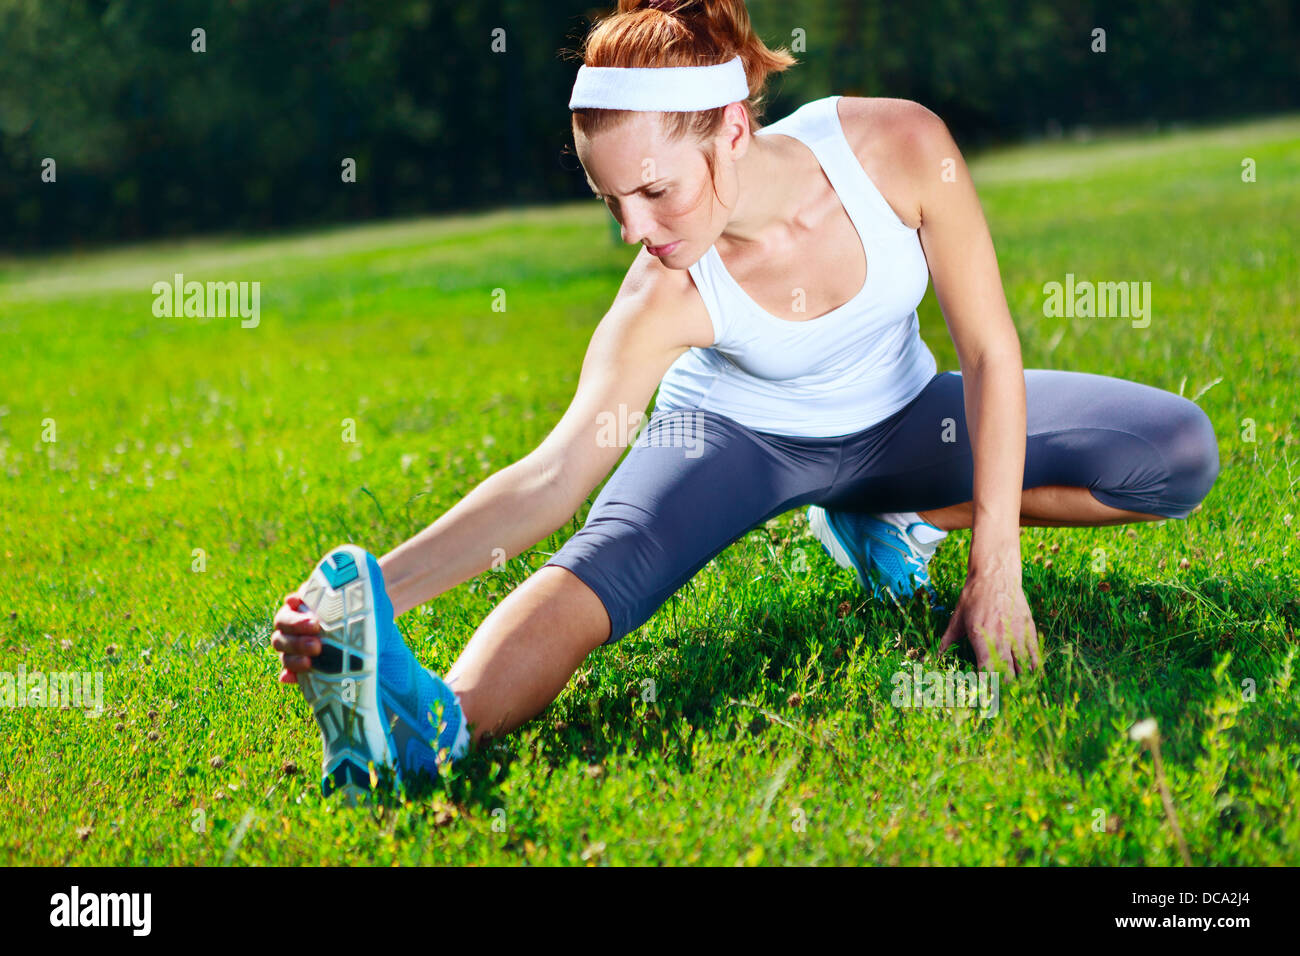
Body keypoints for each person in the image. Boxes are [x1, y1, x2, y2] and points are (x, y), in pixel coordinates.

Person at [270, 0, 1220, 801]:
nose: (636, 231)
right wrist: (365, 603)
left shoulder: (898, 148)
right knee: (604, 566)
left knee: (1175, 454)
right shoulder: (664, 293)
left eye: (654, 190)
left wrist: (995, 565)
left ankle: (894, 520)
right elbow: (554, 474)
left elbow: (991, 347)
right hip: (732, 441)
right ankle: (432, 730)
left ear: (731, 128)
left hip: (901, 419)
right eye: (613, 203)